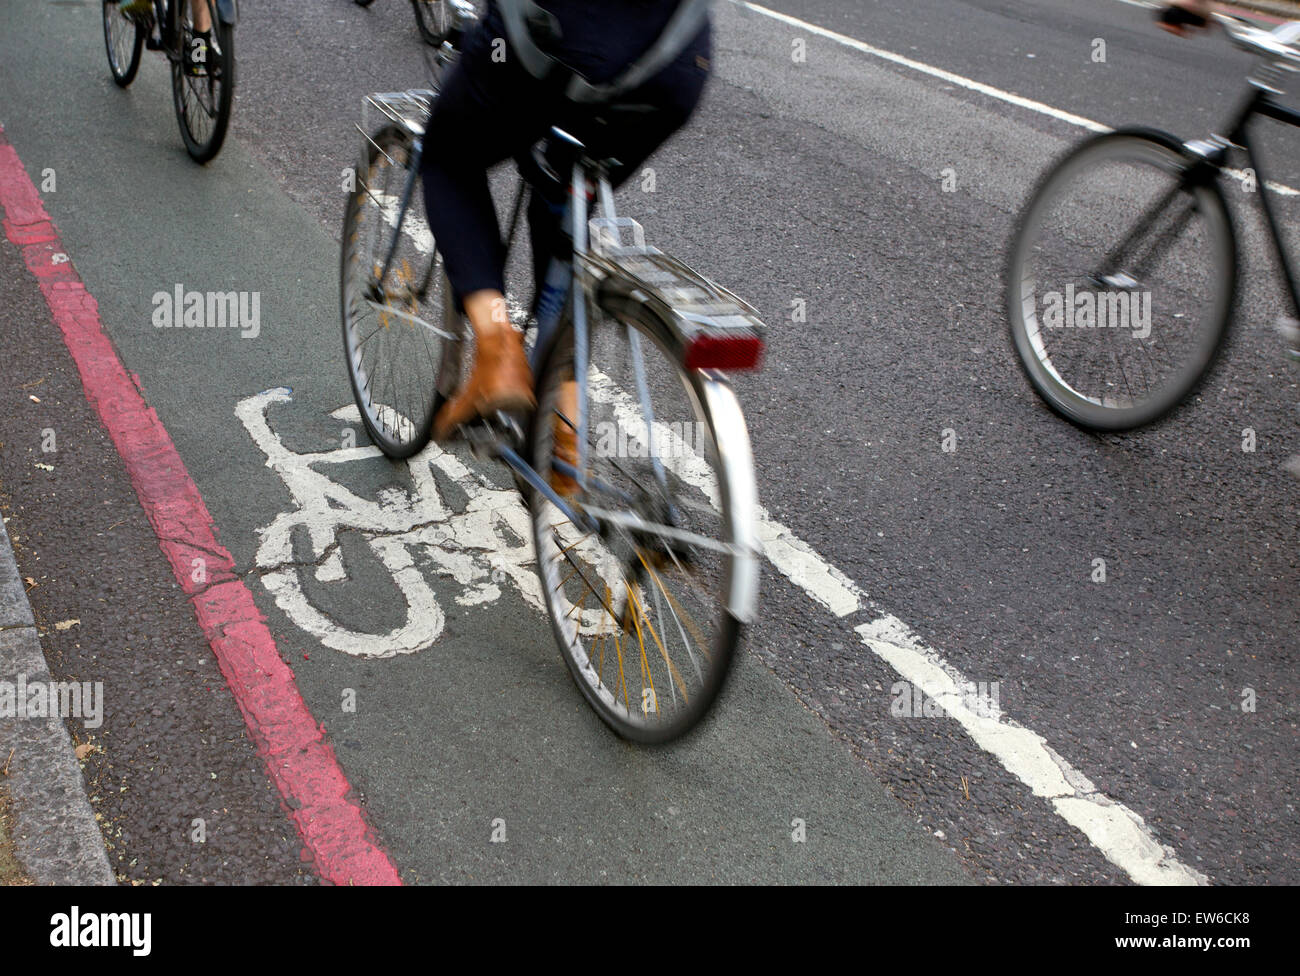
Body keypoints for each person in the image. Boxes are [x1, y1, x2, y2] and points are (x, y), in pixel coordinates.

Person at [420, 0, 712, 490]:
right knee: (562, 184)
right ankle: (563, 428)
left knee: (449, 154)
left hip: (559, 37)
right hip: (675, 63)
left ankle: (496, 353)